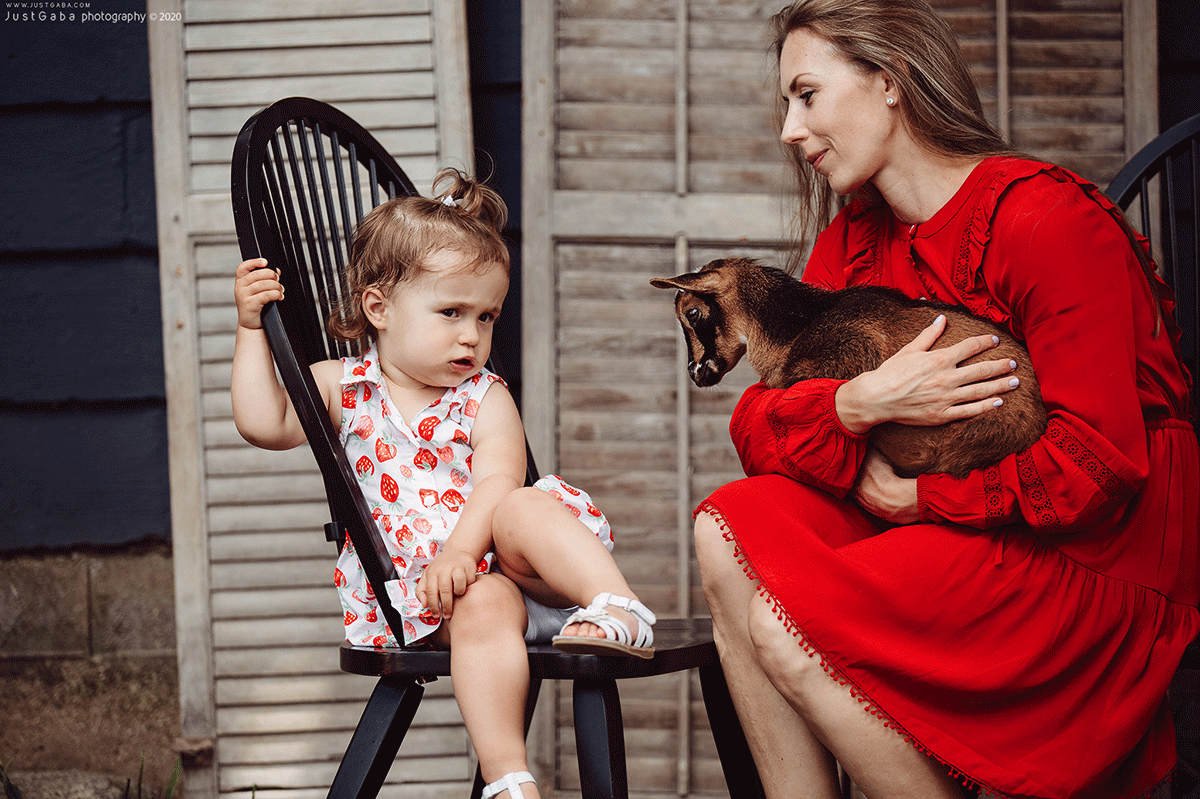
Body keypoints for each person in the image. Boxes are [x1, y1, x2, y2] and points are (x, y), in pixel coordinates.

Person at [693, 1, 1199, 798]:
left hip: (1087, 551)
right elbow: (758, 421)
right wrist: (854, 407)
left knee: (782, 631)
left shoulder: (1047, 221)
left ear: (888, 82)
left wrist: (921, 498)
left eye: (806, 95)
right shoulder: (857, 242)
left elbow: (1100, 465)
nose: (790, 129)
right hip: (938, 511)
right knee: (728, 527)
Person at [231, 167, 656, 799]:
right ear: (378, 308)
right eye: (451, 312)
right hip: (441, 598)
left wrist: (462, 551)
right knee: (482, 602)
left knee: (517, 505)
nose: (471, 335)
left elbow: (497, 479)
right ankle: (510, 779)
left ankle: (619, 606)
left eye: (486, 317)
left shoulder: (484, 396)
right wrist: (249, 331)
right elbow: (265, 424)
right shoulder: (342, 387)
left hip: (527, 568)